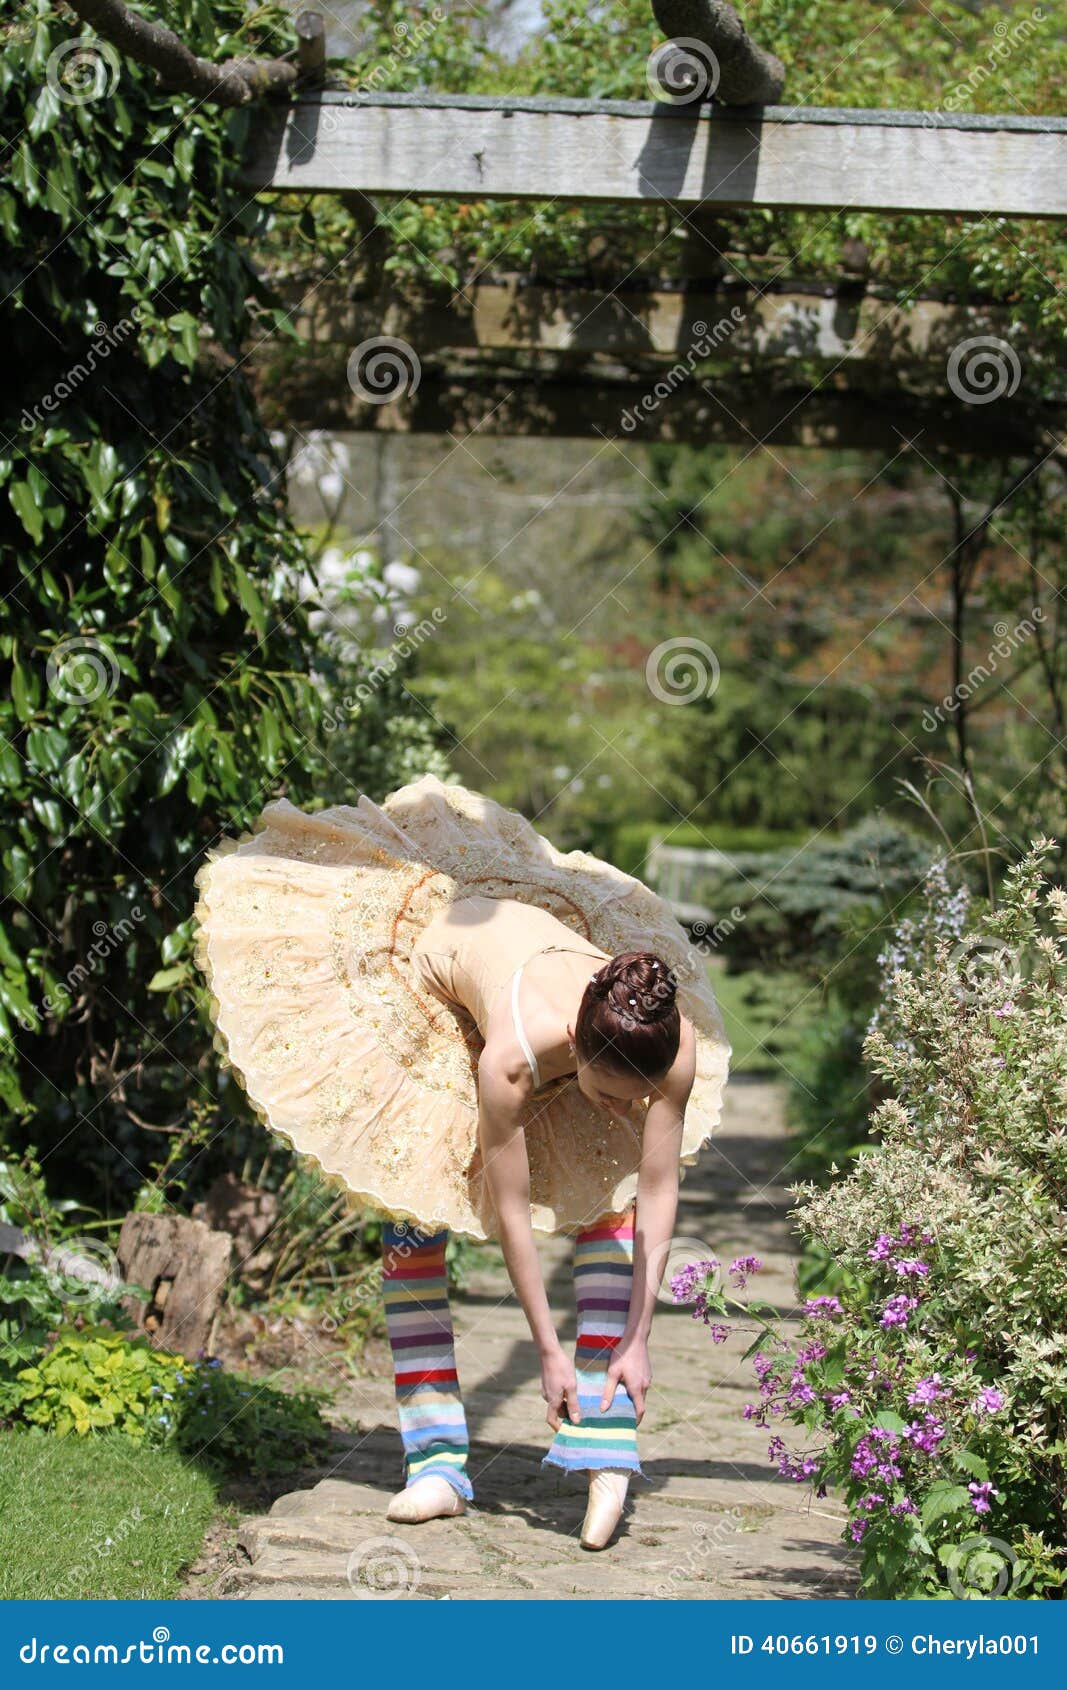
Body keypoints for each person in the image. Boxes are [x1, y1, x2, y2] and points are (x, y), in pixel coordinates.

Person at [192, 773, 730, 1550]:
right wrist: (545, 1351)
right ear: (574, 1048)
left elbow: (657, 1187)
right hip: (438, 985)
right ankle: (435, 1461)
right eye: (610, 1096)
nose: (621, 1113)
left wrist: (641, 1335)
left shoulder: (667, 1045)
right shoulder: (509, 1061)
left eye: (632, 1100)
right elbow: (509, 1210)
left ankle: (605, 1436)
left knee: (610, 1202)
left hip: (539, 949)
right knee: (414, 1227)